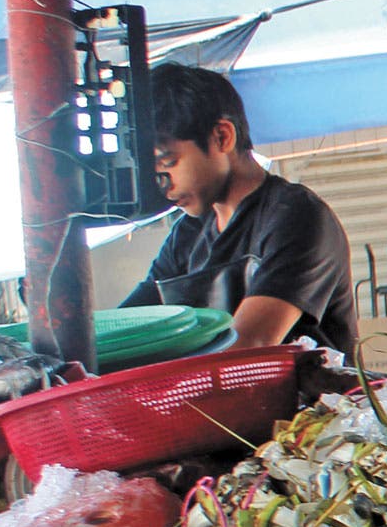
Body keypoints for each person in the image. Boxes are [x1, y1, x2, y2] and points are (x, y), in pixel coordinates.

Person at [120, 63, 358, 353]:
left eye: (168, 163)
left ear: (222, 136)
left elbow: (247, 346)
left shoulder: (295, 217)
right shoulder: (186, 236)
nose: (163, 186)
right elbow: (128, 326)